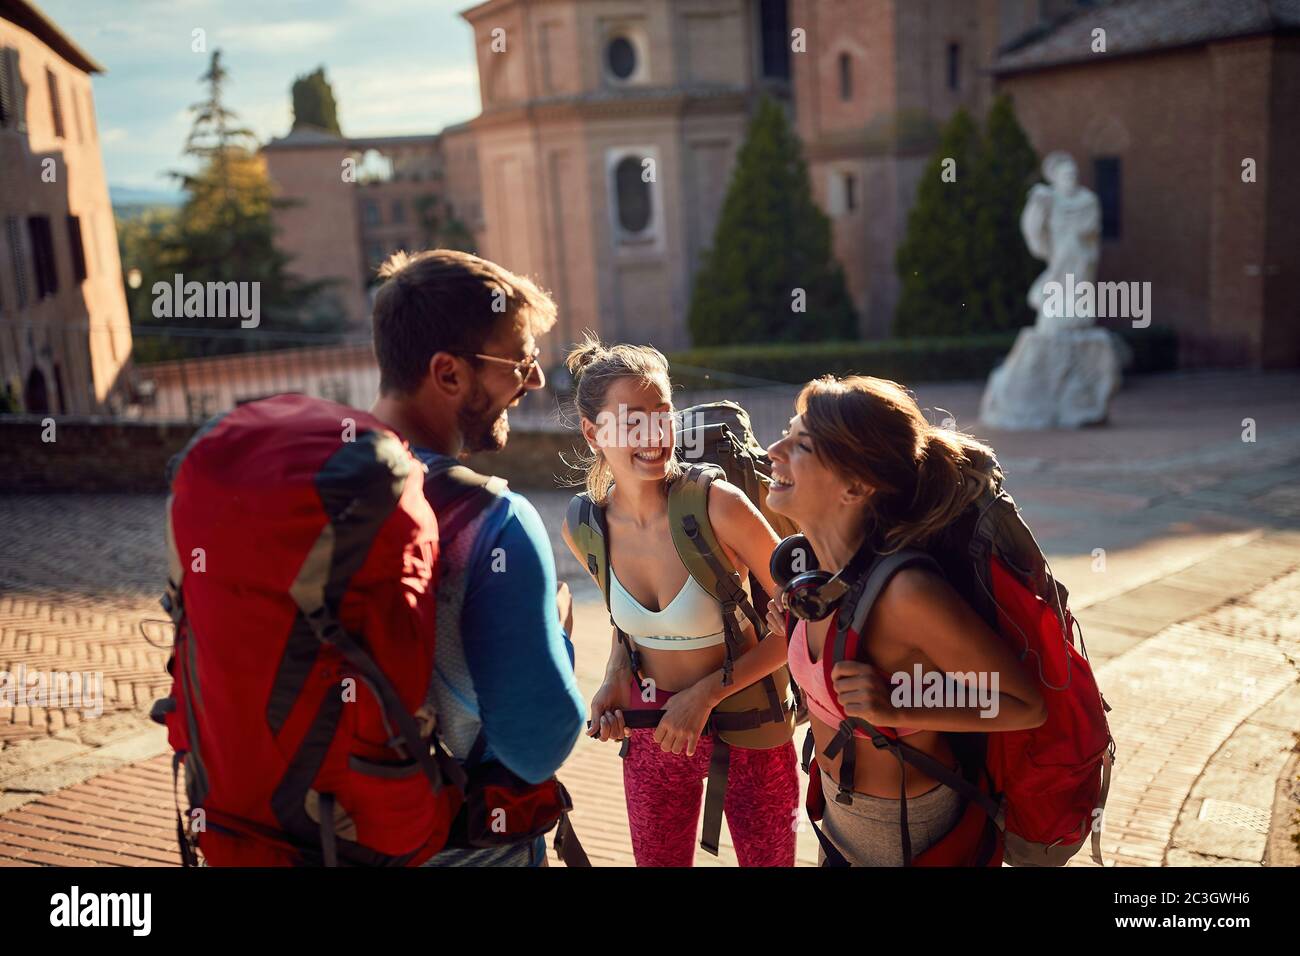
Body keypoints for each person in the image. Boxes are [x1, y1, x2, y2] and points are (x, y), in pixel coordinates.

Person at [764, 375, 1047, 866]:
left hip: (908, 837)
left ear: (855, 485)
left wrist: (900, 707)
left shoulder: (905, 594)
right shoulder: (816, 574)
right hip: (836, 820)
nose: (773, 449)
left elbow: (1025, 705)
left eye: (801, 444)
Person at [369, 249, 586, 866]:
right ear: (447, 373)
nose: (535, 381)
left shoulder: (309, 481)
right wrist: (558, 638)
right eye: (517, 361)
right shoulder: (493, 521)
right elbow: (537, 745)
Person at [561, 335, 799, 867]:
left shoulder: (720, 505)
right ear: (593, 432)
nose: (654, 434)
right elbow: (627, 634)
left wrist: (704, 695)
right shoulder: (584, 525)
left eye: (663, 414)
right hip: (652, 734)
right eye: (631, 419)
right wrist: (611, 682)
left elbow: (798, 630)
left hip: (751, 732)